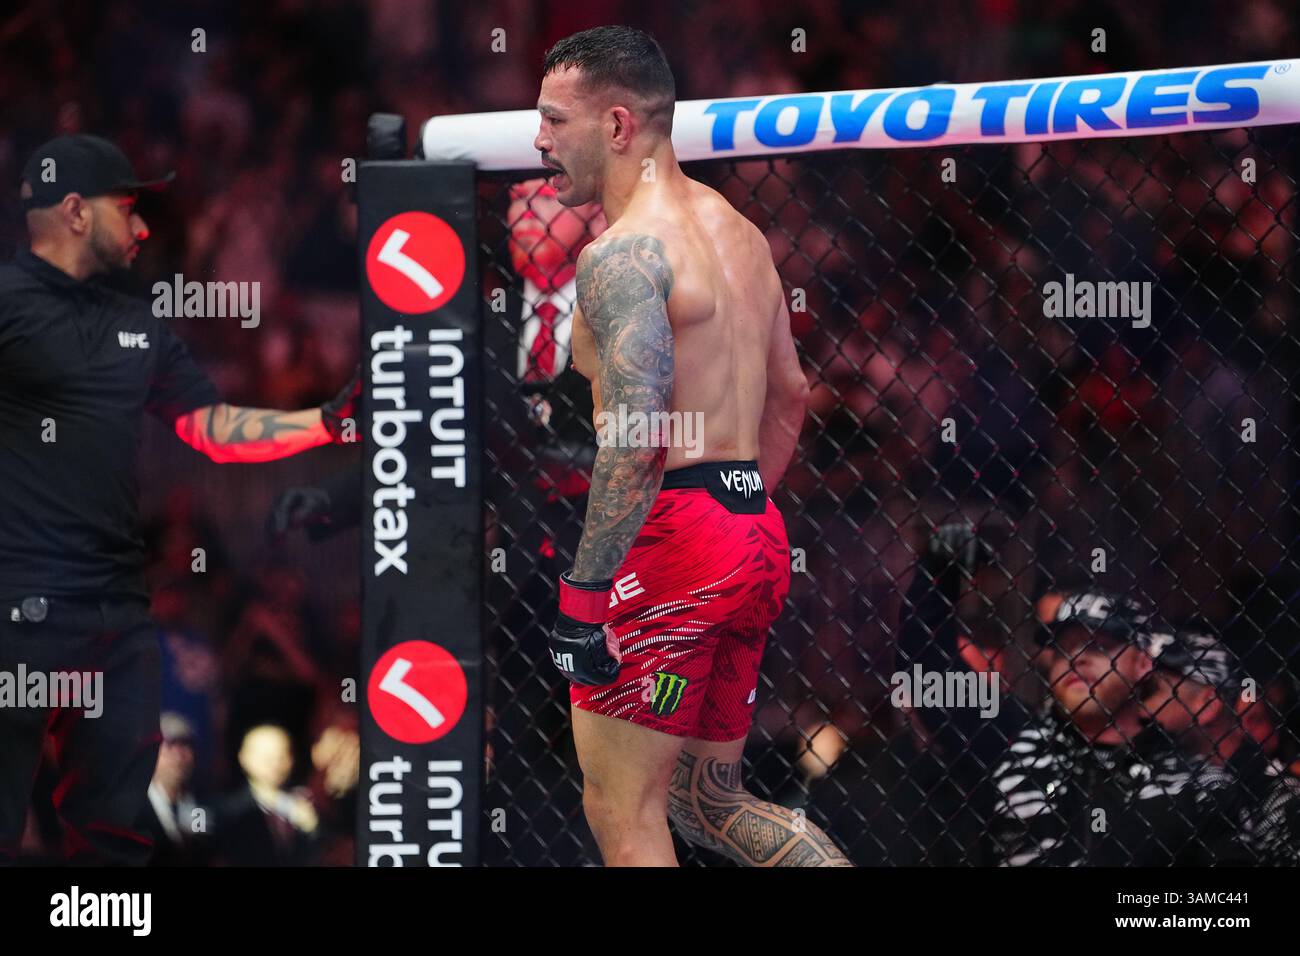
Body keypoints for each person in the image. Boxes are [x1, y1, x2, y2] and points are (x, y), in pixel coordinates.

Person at [532, 26, 845, 867]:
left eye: (555, 120)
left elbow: (635, 440)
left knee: (623, 813)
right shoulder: (739, 233)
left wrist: (584, 594)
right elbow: (791, 395)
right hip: (749, 532)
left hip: (672, 546)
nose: (538, 142)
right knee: (709, 804)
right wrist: (733, 516)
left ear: (619, 125)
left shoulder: (623, 254)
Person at [0, 134, 359, 865]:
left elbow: (215, 428)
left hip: (110, 615)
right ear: (74, 212)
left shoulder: (135, 330)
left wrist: (326, 420)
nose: (140, 231)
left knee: (114, 834)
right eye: (125, 210)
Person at [898, 519, 1256, 865]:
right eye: (1065, 648)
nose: (1077, 660)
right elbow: (924, 664)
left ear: (1143, 664)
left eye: (1099, 647)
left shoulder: (1194, 786)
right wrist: (940, 567)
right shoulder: (1010, 736)